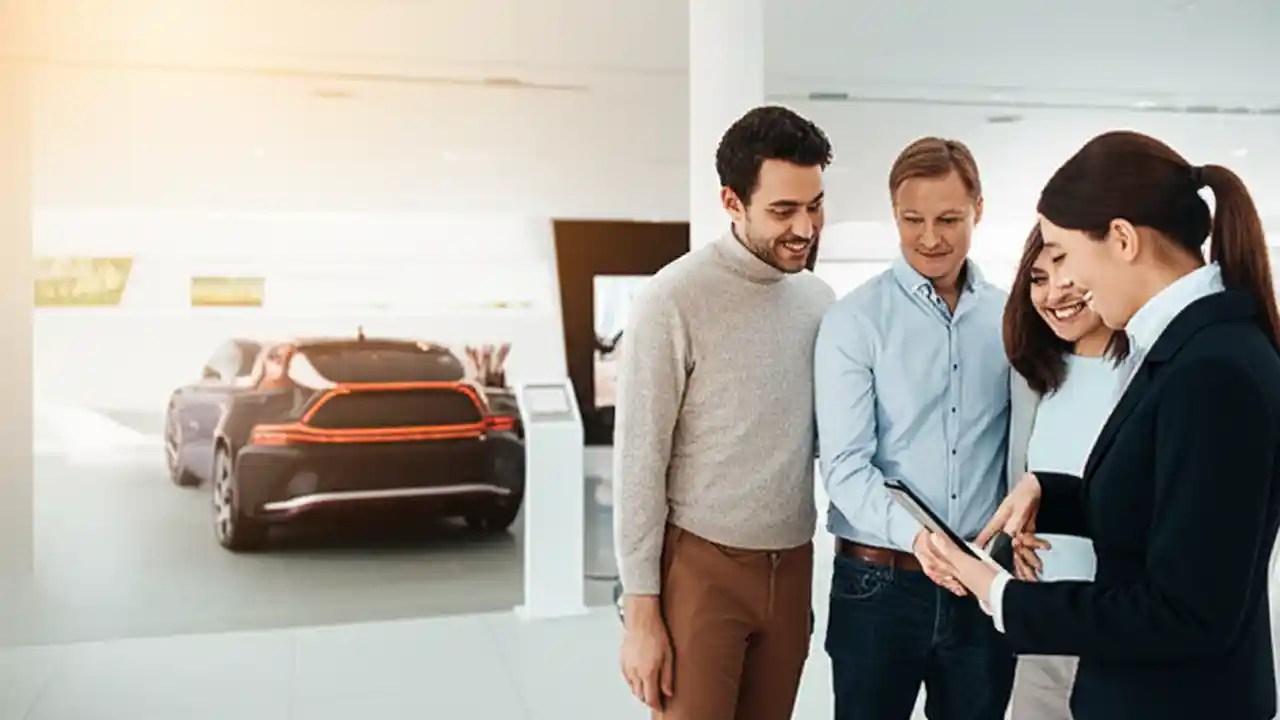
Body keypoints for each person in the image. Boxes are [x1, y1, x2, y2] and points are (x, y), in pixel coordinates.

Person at [929, 129, 1280, 720]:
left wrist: (1001, 596)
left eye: (1063, 254)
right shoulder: (1184, 349)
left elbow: (1187, 614)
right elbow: (1167, 513)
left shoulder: (1213, 369)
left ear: (1121, 239)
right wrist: (1054, 493)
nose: (1066, 283)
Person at [613, 104, 835, 720]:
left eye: (813, 205)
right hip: (701, 569)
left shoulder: (818, 301)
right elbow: (639, 466)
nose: (805, 228)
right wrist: (642, 616)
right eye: (783, 211)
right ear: (732, 202)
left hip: (792, 566)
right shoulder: (673, 300)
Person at [814, 137, 1014, 720]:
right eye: (913, 219)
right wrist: (919, 540)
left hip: (983, 582)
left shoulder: (1010, 318)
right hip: (878, 585)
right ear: (894, 215)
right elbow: (846, 468)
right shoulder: (854, 322)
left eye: (949, 218)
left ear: (979, 208)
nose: (930, 238)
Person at [1002, 224, 1130, 719]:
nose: (1054, 293)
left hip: (1119, 628)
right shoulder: (1034, 375)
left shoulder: (1147, 372)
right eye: (1037, 278)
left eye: (1068, 271)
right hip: (1045, 625)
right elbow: (1024, 485)